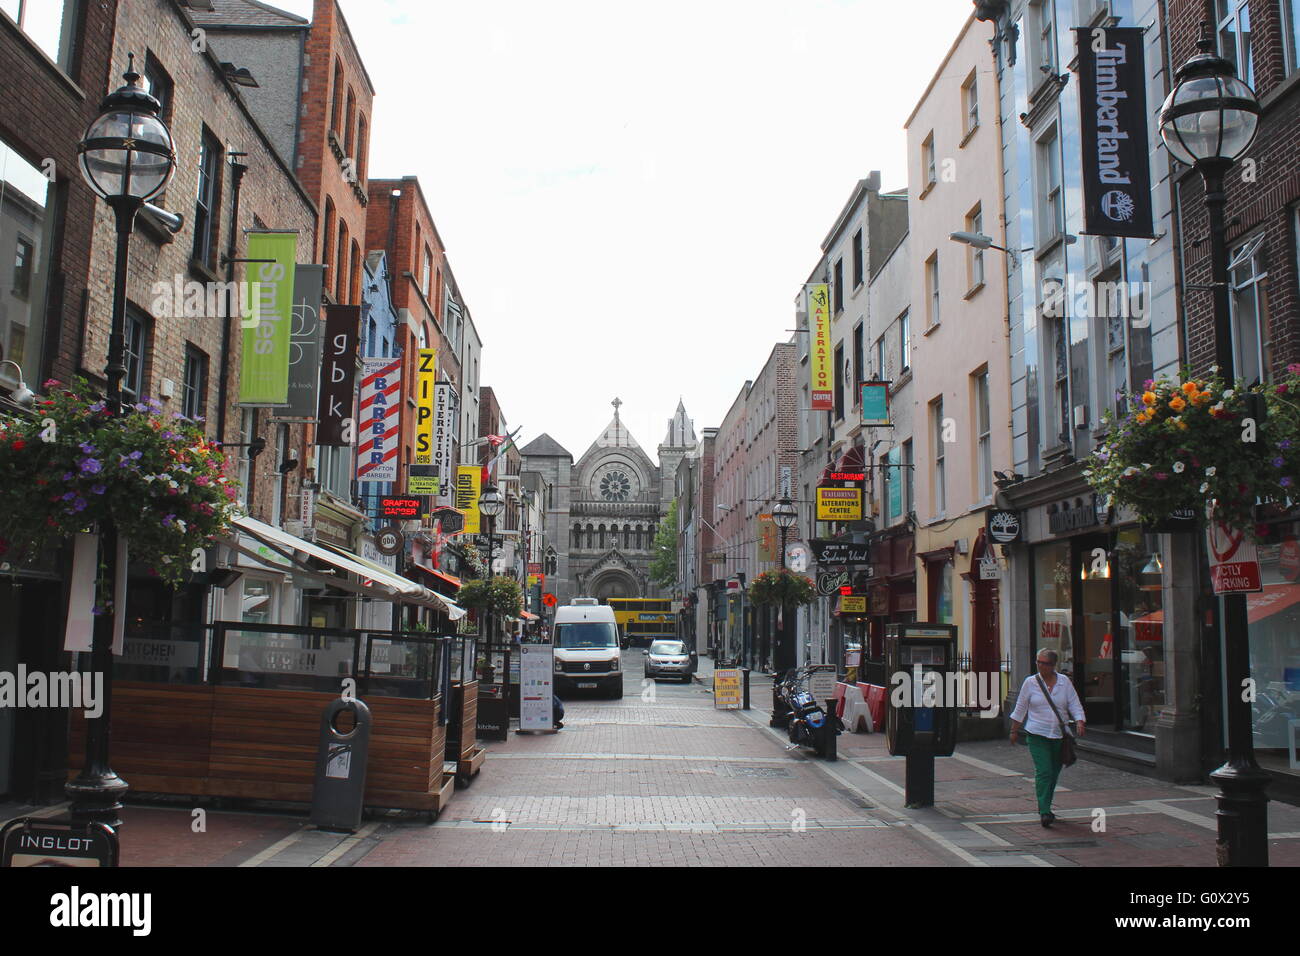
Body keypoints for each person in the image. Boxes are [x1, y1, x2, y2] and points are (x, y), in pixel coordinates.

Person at [1009, 648, 1085, 827]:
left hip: (1059, 735)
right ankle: (1044, 810)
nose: (1040, 666)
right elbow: (1021, 707)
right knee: (1044, 771)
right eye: (1038, 662)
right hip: (1037, 734)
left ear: (1053, 665)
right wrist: (1014, 730)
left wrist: (1080, 720)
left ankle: (1047, 805)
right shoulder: (1030, 682)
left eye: (1044, 663)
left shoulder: (1064, 682)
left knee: (1053, 773)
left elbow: (1074, 703)